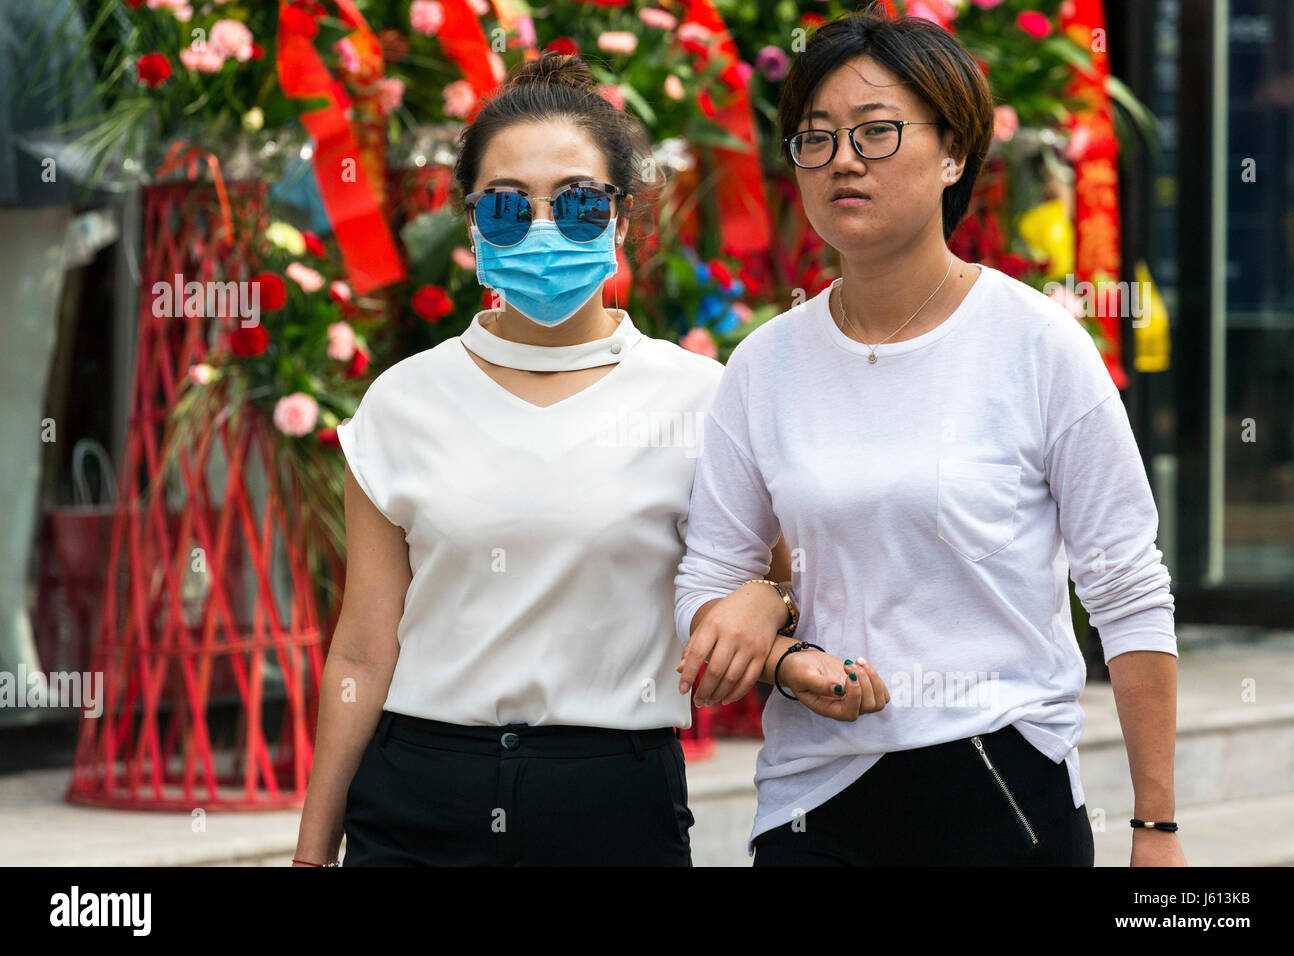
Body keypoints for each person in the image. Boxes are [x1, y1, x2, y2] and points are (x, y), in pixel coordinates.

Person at [674, 5, 1185, 867]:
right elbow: (710, 578)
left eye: (876, 133)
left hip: (1002, 789)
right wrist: (787, 659)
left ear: (954, 152)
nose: (842, 159)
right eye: (817, 136)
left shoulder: (1039, 343)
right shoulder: (764, 364)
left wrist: (1156, 828)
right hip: (815, 804)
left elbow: (1128, 592)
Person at [293, 51, 785, 866]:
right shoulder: (403, 401)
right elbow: (361, 649)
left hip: (612, 800)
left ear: (624, 218)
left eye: (580, 203)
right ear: (473, 221)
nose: (546, 230)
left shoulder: (702, 396)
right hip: (416, 796)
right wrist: (313, 854)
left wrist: (771, 603)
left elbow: (783, 575)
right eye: (509, 208)